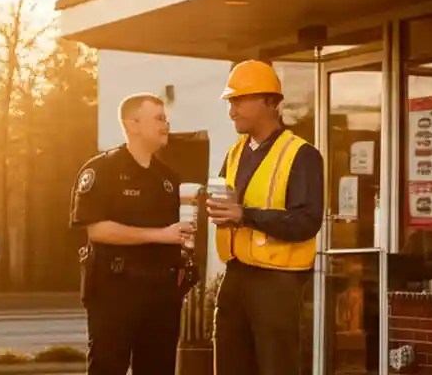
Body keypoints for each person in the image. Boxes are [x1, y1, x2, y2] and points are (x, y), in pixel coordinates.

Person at [206, 60, 325, 375]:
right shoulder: (235, 152)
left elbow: (307, 222)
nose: (232, 111)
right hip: (235, 276)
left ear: (270, 101)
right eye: (230, 102)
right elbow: (227, 203)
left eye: (239, 100)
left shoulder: (302, 155)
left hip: (276, 282)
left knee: (275, 368)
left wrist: (244, 215)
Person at [71, 93, 194, 375]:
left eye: (166, 118)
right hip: (115, 291)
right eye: (159, 118)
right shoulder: (101, 171)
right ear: (132, 124)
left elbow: (179, 232)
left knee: (158, 368)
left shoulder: (168, 178)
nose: (166, 125)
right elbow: (97, 230)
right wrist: (161, 235)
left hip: (161, 294)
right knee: (108, 367)